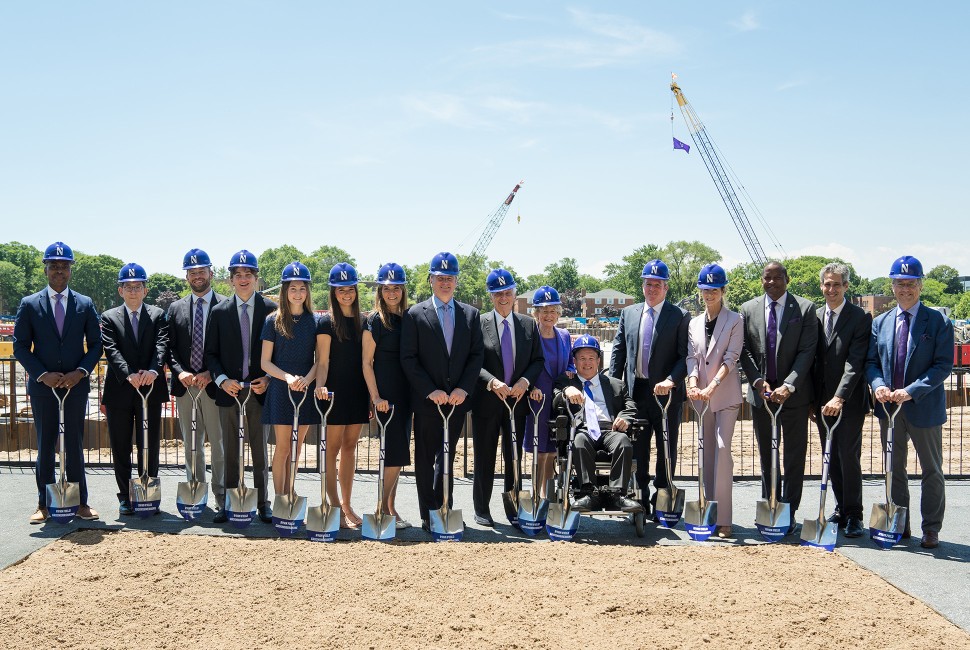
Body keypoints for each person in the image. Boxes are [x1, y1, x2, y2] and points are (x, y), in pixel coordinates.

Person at [865, 255, 953, 549]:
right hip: (889, 409)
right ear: (892, 286)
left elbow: (942, 366)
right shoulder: (880, 322)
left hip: (923, 408)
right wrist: (877, 385)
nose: (905, 289)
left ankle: (931, 528)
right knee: (894, 468)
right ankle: (899, 525)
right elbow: (872, 362)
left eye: (911, 284)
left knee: (932, 470)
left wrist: (912, 390)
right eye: (900, 283)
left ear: (920, 285)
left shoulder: (938, 321)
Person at [13, 242, 103, 523]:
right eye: (54, 266)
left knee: (75, 444)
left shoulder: (85, 304)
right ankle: (44, 504)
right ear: (46, 269)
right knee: (45, 444)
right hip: (43, 389)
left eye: (64, 266)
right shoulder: (29, 304)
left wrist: (80, 372)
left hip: (75, 387)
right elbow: (19, 346)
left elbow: (97, 345)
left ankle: (81, 503)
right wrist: (42, 374)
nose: (59, 271)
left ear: (70, 270)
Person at [400, 251, 485, 534]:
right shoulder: (415, 314)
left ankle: (444, 507)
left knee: (447, 456)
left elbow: (476, 356)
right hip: (428, 401)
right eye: (440, 278)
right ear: (431, 280)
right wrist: (430, 390)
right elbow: (408, 358)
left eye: (450, 278)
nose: (445, 283)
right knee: (425, 457)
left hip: (457, 400)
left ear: (456, 281)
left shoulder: (470, 315)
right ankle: (428, 512)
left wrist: (463, 388)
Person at [739, 261, 817, 533]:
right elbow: (744, 350)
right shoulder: (748, 309)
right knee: (766, 455)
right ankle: (770, 504)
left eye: (777, 278)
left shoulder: (805, 309)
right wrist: (757, 381)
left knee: (794, 456)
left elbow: (807, 351)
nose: (771, 282)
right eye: (766, 278)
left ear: (787, 279)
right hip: (761, 396)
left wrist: (789, 385)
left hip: (793, 397)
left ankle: (789, 510)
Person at [609, 259, 689, 515]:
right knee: (639, 449)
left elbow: (684, 356)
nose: (652, 288)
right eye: (648, 284)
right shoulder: (629, 313)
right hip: (636, 394)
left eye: (657, 284)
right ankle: (641, 497)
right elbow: (618, 353)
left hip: (666, 396)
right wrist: (613, 388)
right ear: (642, 286)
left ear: (666, 288)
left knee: (666, 447)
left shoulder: (679, 316)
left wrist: (671, 380)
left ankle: (663, 497)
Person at [205, 250, 277, 524]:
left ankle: (262, 503)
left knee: (260, 449)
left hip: (260, 390)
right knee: (230, 450)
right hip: (230, 391)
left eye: (249, 274)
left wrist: (269, 378)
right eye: (238, 275)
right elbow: (211, 354)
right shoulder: (220, 311)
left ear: (256, 279)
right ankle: (229, 502)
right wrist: (222, 380)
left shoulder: (271, 310)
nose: (244, 279)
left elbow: (278, 352)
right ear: (230, 280)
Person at [471, 268, 544, 528]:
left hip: (517, 402)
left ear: (514, 293)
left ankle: (514, 509)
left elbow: (537, 360)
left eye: (507, 292)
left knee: (513, 457)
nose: (503, 297)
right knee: (485, 457)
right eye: (498, 293)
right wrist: (491, 382)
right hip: (488, 401)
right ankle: (481, 509)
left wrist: (525, 381)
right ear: (491, 296)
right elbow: (472, 362)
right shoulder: (478, 323)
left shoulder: (528, 324)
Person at [100, 263, 170, 515]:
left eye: (137, 286)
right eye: (127, 287)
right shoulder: (108, 317)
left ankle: (148, 492)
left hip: (150, 389)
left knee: (148, 443)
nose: (132, 291)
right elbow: (111, 349)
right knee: (120, 446)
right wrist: (128, 374)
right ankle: (124, 496)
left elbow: (162, 344)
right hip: (120, 390)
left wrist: (153, 370)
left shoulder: (158, 314)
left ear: (145, 290)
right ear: (120, 291)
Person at [165, 248, 228, 516]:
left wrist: (210, 374)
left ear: (211, 273)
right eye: (192, 272)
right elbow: (169, 348)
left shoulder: (225, 306)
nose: (197, 276)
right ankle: (197, 491)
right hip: (185, 386)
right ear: (187, 277)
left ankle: (221, 495)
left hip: (214, 386)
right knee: (192, 446)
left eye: (202, 271)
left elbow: (230, 349)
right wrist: (179, 371)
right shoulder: (176, 308)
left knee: (219, 444)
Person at [812, 262, 871, 538]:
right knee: (830, 456)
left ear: (846, 286)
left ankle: (855, 515)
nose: (831, 289)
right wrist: (813, 401)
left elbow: (855, 363)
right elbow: (812, 360)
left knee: (848, 456)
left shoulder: (859, 317)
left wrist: (839, 397)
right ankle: (840, 507)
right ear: (821, 285)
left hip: (848, 401)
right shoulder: (813, 315)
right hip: (821, 403)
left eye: (837, 284)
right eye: (827, 284)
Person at [685, 264, 743, 539]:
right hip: (702, 399)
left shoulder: (735, 320)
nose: (709, 294)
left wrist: (712, 385)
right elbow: (692, 359)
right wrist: (692, 382)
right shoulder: (694, 323)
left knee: (722, 450)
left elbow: (731, 358)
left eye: (714, 289)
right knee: (706, 453)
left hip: (725, 395)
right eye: (705, 290)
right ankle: (709, 510)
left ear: (723, 290)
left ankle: (725, 519)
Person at [554, 336, 642, 513]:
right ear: (575, 361)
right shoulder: (566, 381)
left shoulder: (616, 384)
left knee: (623, 442)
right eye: (582, 358)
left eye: (591, 358)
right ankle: (588, 494)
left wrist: (625, 417)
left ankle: (618, 495)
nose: (587, 363)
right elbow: (555, 403)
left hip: (610, 429)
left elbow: (631, 406)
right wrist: (566, 391)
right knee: (578, 441)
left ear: (599, 361)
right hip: (582, 429)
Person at [314, 262, 370, 529]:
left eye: (350, 289)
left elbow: (368, 362)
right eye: (340, 290)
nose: (346, 294)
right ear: (333, 292)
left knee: (350, 449)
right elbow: (322, 362)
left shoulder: (364, 321)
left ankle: (347, 505)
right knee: (332, 450)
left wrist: (371, 396)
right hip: (333, 394)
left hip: (358, 393)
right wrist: (321, 387)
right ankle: (334, 506)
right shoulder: (326, 322)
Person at [261, 262, 320, 498]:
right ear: (285, 291)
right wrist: (287, 378)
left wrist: (306, 379)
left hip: (305, 388)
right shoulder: (272, 321)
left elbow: (320, 360)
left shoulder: (316, 321)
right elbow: (265, 362)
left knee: (296, 448)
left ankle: (291, 491)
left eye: (302, 288)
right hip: (281, 388)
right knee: (283, 448)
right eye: (293, 288)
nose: (298, 293)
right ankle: (280, 497)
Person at [362, 262, 413, 529]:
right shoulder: (374, 321)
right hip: (387, 398)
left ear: (403, 290)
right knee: (392, 454)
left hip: (406, 395)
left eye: (396, 288)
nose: (391, 293)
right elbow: (367, 363)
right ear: (380, 291)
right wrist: (376, 397)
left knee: (399, 454)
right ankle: (381, 509)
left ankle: (390, 508)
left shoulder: (410, 317)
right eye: (386, 288)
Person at [525, 286, 574, 500]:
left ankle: (547, 496)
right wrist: (529, 387)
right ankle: (536, 495)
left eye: (552, 310)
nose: (548, 315)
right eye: (543, 311)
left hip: (558, 401)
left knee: (553, 451)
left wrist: (571, 372)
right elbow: (522, 366)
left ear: (558, 313)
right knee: (540, 452)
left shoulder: (563, 336)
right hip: (537, 400)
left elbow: (571, 363)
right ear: (535, 313)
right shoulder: (529, 335)